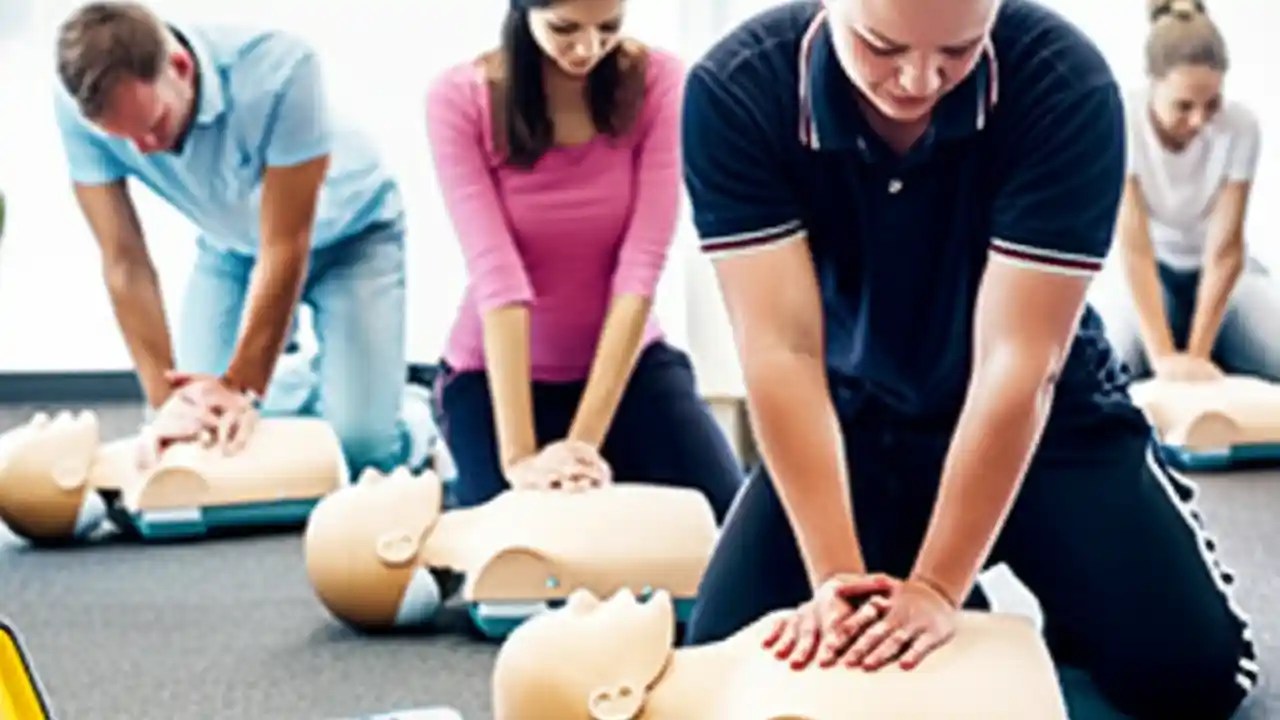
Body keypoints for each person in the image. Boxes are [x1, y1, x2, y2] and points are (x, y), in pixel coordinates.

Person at [678, 0, 1257, 718]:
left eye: (957, 50)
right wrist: (837, 581)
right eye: (883, 47)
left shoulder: (1063, 83)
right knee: (728, 660)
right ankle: (928, 578)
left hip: (1048, 420)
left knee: (1195, 680)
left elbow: (1018, 361)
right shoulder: (736, 90)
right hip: (856, 417)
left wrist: (937, 588)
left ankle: (1031, 600)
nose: (919, 80)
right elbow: (783, 350)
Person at [52, 2, 434, 478]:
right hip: (233, 247)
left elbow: (286, 243)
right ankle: (319, 377)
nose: (144, 150)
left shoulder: (281, 68)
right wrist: (168, 401)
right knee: (196, 430)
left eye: (153, 126)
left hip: (354, 239)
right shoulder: (78, 108)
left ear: (181, 68)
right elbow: (124, 261)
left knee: (361, 449)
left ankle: (409, 407)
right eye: (123, 138)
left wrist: (239, 384)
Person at [424, 0, 742, 520]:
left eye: (608, 28)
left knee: (729, 529)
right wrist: (521, 459)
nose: (588, 49)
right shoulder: (458, 99)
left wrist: (581, 451)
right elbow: (498, 278)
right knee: (524, 555)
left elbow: (641, 268)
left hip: (627, 368)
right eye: (565, 29)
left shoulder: (661, 82)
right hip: (495, 378)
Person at [1092, 0, 1279, 383]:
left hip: (1225, 279)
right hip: (1147, 273)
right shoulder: (1121, 120)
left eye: (1212, 104)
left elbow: (1225, 249)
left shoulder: (1241, 127)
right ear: (1154, 84)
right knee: (1107, 366)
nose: (1199, 120)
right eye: (1184, 106)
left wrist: (1197, 357)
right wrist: (1163, 359)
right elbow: (1135, 247)